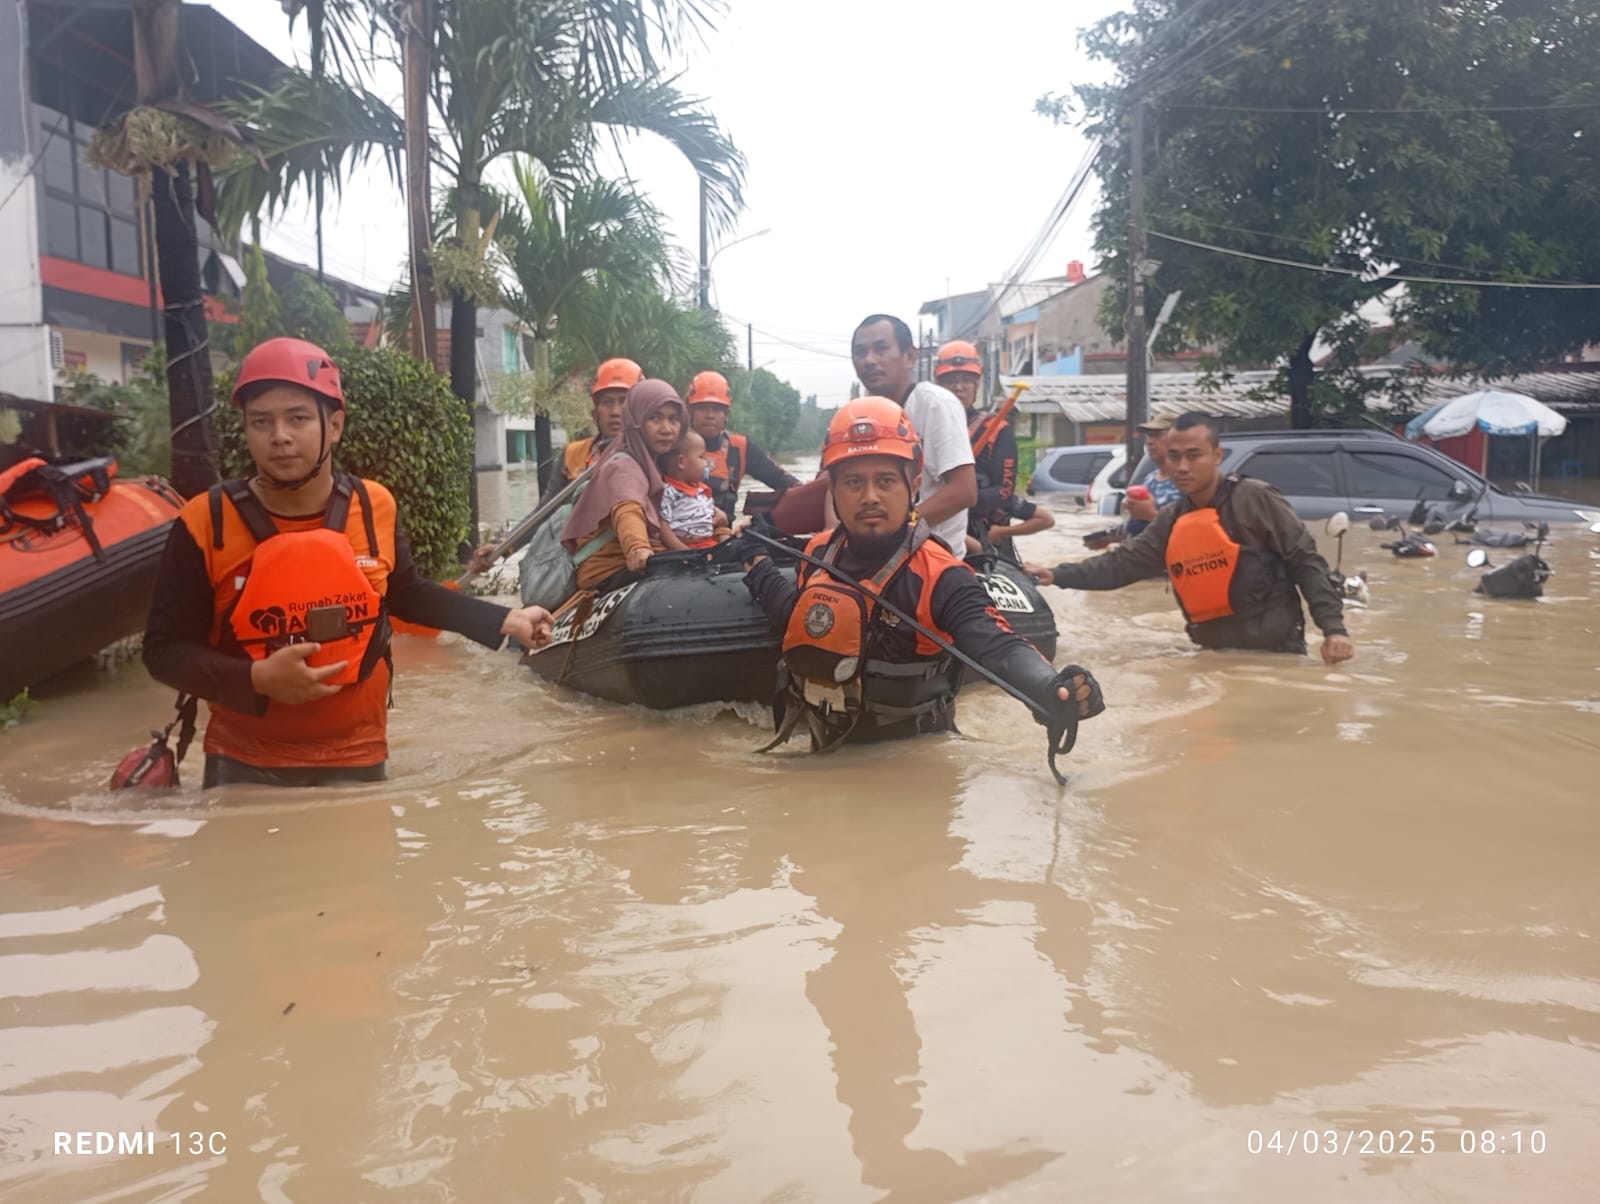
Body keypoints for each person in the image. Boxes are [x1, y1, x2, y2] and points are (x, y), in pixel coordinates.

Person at [142, 337, 555, 788]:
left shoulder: (374, 507)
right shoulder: (205, 521)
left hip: (359, 753)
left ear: (334, 425)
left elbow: (406, 594)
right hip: (243, 763)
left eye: (297, 418)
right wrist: (256, 677)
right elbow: (164, 651)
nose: (279, 436)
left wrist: (506, 620)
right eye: (261, 421)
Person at [742, 396, 1104, 750]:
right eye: (853, 483)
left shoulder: (942, 576)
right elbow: (798, 617)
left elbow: (996, 643)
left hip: (913, 757)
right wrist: (758, 565)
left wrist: (1047, 687)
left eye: (886, 481)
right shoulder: (818, 553)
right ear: (832, 490)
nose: (870, 497)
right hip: (827, 749)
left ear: (913, 486)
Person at [1024, 412, 1355, 664]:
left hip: (1276, 656)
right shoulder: (1171, 520)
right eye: (1174, 456)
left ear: (1217, 456)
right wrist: (1056, 574)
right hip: (1212, 655)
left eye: (1194, 455)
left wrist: (1334, 630)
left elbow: (1306, 560)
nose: (1182, 466)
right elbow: (1123, 564)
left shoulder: (1255, 499)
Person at [846, 315, 977, 553]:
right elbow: (833, 486)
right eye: (860, 352)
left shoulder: (935, 404)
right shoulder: (857, 415)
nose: (869, 360)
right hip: (875, 553)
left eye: (881, 349)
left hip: (930, 556)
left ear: (909, 356)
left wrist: (896, 524)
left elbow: (964, 491)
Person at [558, 378, 685, 594]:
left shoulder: (657, 460)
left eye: (673, 419)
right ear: (636, 421)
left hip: (647, 558)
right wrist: (637, 547)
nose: (666, 429)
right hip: (609, 568)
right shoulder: (623, 465)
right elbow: (627, 507)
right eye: (654, 418)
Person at [933, 339, 1056, 560]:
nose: (958, 387)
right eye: (950, 380)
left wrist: (957, 498)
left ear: (977, 384)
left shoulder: (997, 430)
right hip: (935, 528)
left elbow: (1003, 492)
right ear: (938, 385)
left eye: (966, 380)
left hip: (982, 536)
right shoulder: (925, 429)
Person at [684, 369, 800, 519]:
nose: (710, 415)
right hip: (678, 531)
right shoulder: (675, 445)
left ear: (727, 414)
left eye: (717, 409)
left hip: (723, 531)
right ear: (690, 411)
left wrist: (808, 490)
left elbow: (780, 479)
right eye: (703, 408)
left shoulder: (739, 448)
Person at [552, 357, 644, 488]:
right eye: (607, 402)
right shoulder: (573, 454)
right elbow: (550, 499)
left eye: (624, 401)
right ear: (595, 412)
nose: (615, 412)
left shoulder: (655, 455)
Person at [656, 429, 729, 550]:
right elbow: (664, 529)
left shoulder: (702, 491)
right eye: (701, 457)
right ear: (681, 462)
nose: (706, 463)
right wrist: (684, 551)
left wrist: (721, 520)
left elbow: (714, 519)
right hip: (687, 547)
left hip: (710, 544)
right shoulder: (669, 492)